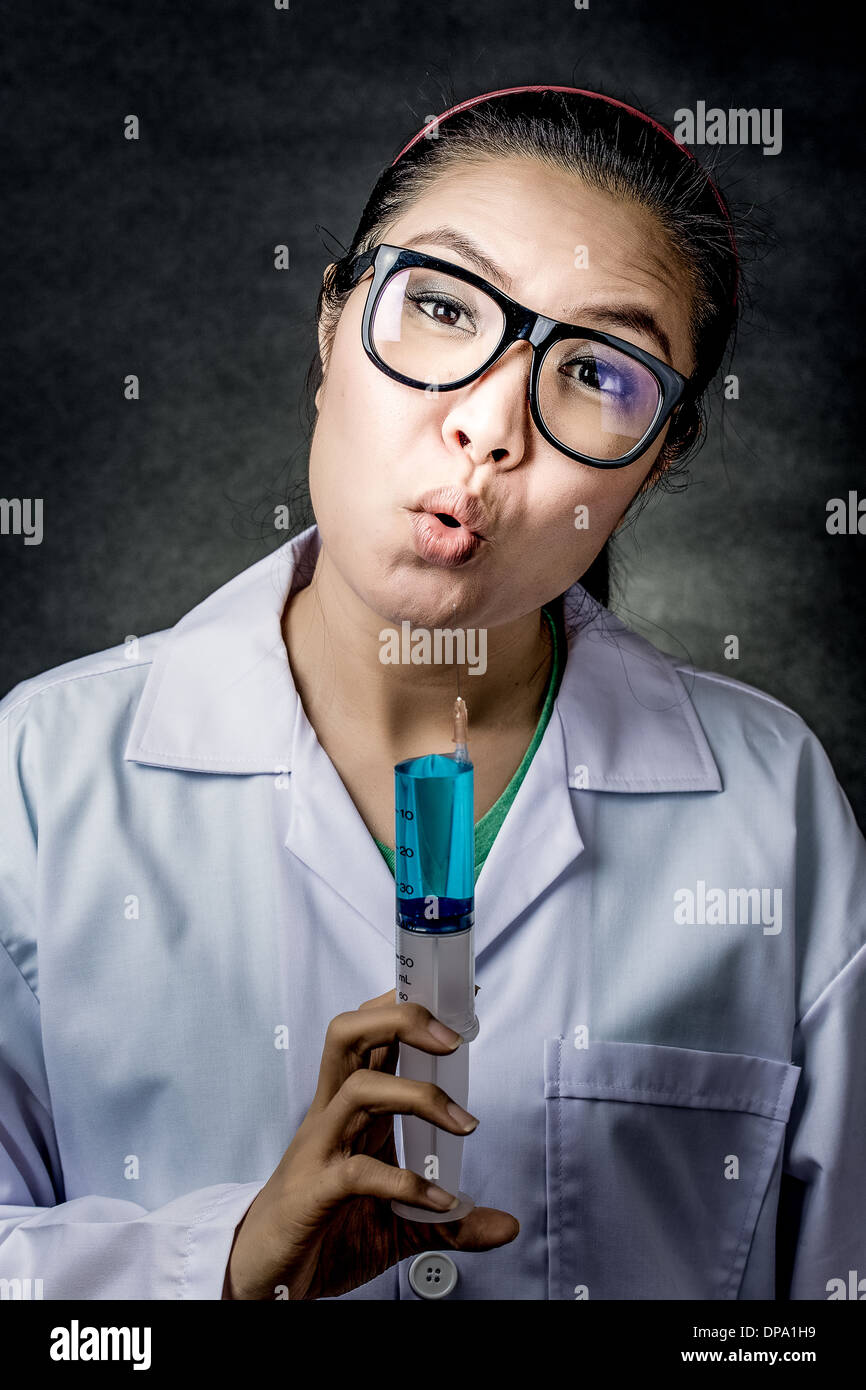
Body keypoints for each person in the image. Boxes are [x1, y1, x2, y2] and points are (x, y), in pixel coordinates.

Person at [0, 85, 863, 1302]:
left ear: (656, 461)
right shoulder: (39, 779)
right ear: (328, 323)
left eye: (599, 374)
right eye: (442, 306)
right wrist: (227, 1265)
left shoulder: (768, 808)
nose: (488, 426)